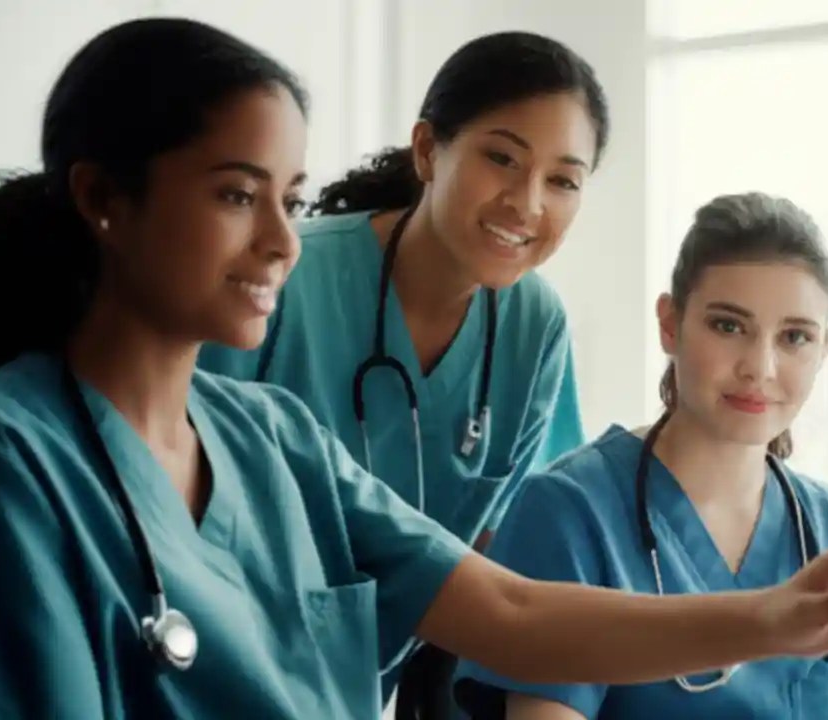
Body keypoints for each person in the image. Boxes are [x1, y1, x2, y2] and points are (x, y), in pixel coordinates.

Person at [0, 20, 828, 720]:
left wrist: (775, 619)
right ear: (102, 198)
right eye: (239, 195)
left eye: (290, 196)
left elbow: (508, 608)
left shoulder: (274, 435)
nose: (286, 239)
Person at [194, 31, 607, 712]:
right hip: (216, 676)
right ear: (427, 151)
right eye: (501, 158)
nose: (527, 203)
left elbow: (511, 549)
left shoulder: (535, 326)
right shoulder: (284, 281)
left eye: (563, 180)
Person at [454, 193, 828, 719]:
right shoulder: (569, 511)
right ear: (670, 324)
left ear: (823, 350)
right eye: (728, 326)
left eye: (794, 337)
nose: (759, 367)